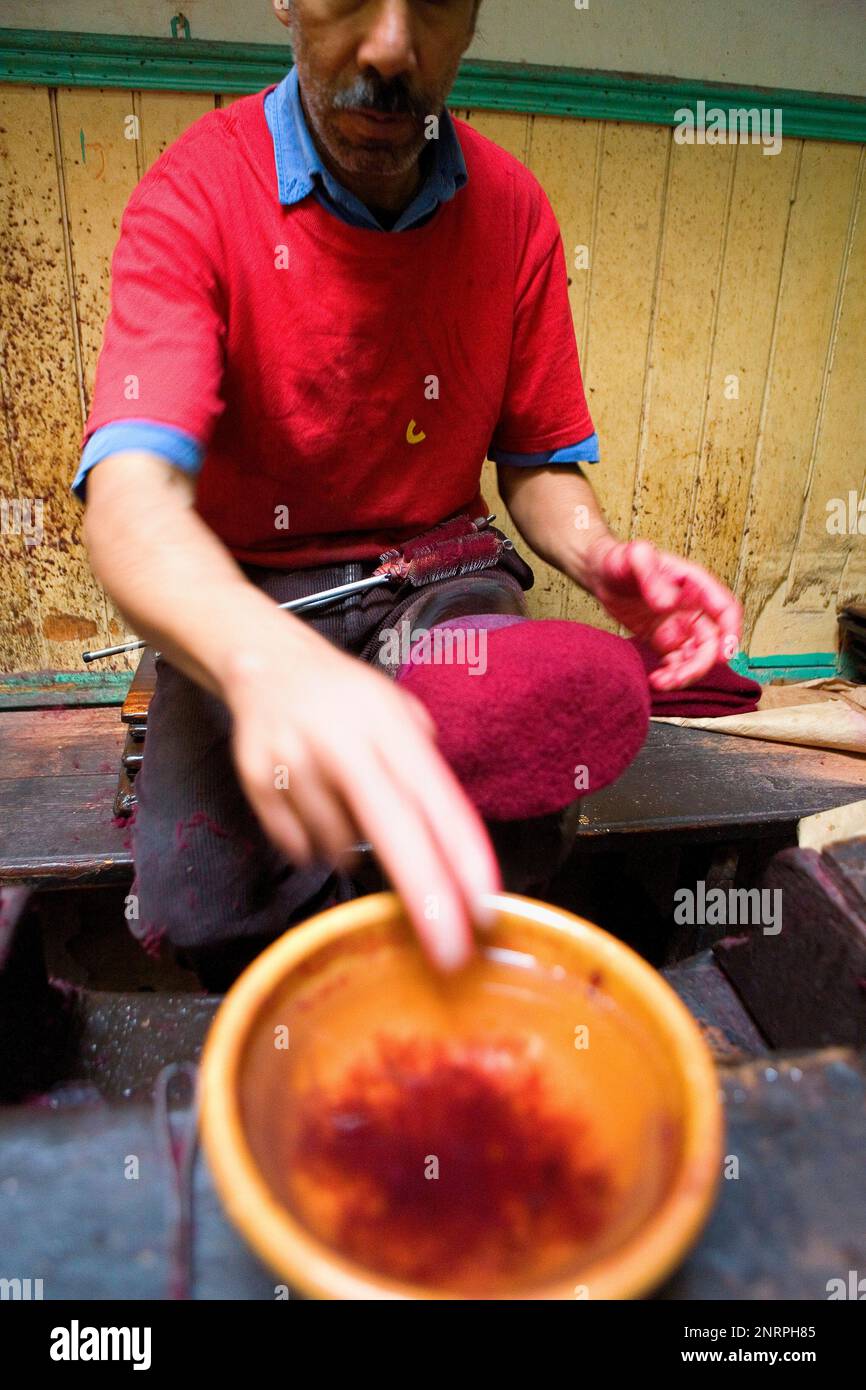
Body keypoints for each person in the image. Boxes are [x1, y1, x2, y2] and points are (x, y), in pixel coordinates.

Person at [73, 0, 741, 986]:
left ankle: (449, 992)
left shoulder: (512, 211)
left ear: (470, 17)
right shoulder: (193, 196)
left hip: (437, 577)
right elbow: (129, 500)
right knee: (202, 904)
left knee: (503, 775)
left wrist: (599, 558)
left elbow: (539, 462)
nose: (389, 46)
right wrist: (261, 665)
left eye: (429, 1)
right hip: (251, 602)